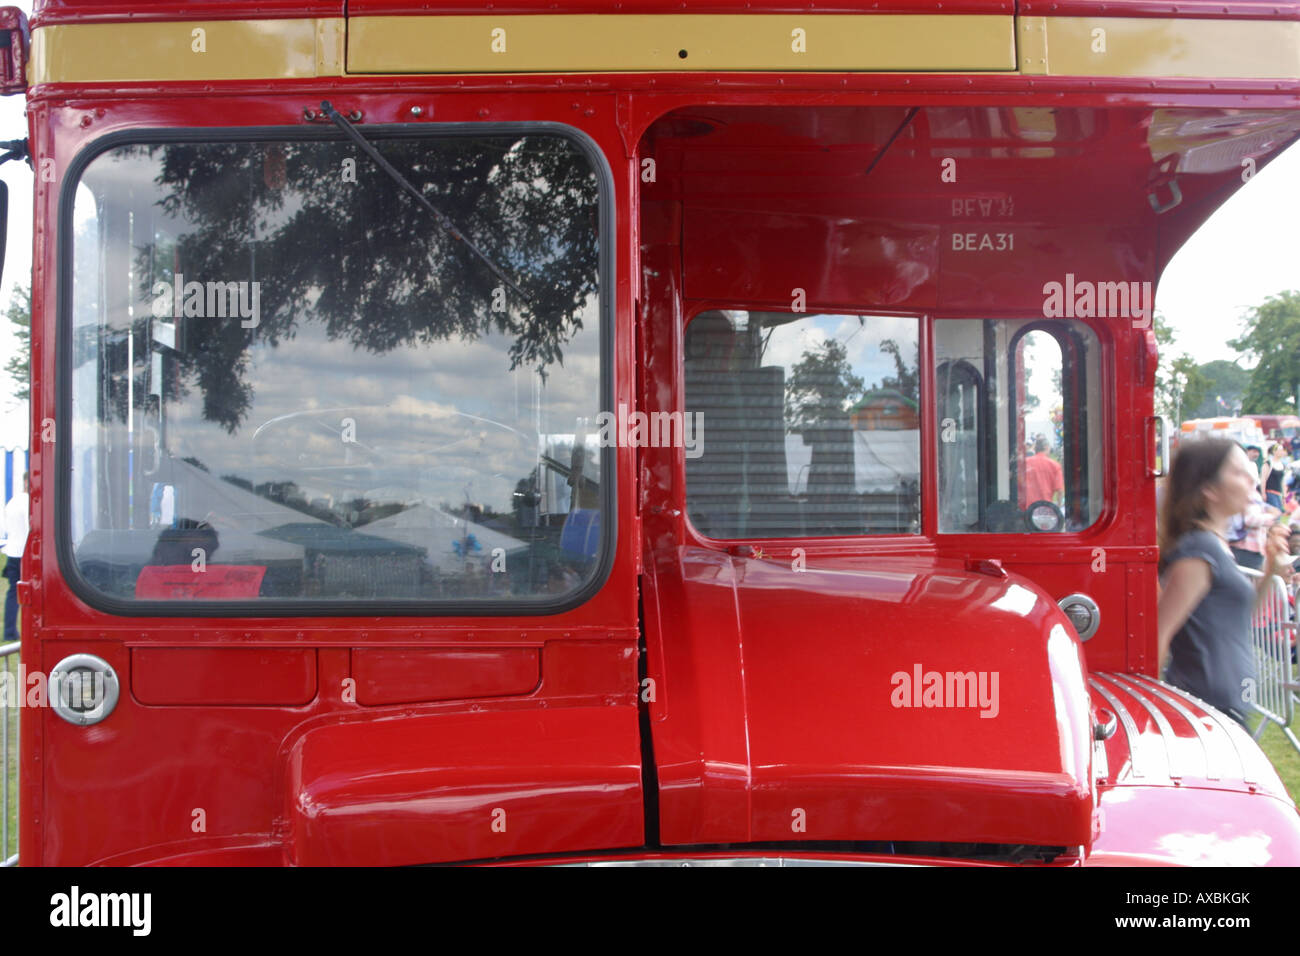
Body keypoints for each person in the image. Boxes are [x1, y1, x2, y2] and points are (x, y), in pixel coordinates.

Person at [1158, 441, 1289, 729]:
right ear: (1210, 489)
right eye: (1239, 472)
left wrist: (1271, 571)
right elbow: (1159, 632)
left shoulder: (1215, 546)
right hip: (1206, 714)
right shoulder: (1199, 550)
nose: (1253, 479)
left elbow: (1235, 619)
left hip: (1224, 708)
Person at [1, 472, 29, 643]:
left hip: (12, 550)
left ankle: (9, 630)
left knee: (13, 593)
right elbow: (30, 527)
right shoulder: (27, 502)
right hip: (23, 552)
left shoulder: (13, 501)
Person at [1024, 436, 1064, 505]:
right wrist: (1059, 506)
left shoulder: (1025, 463)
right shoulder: (1055, 465)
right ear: (1046, 447)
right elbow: (1060, 491)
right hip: (1046, 508)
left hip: (1028, 509)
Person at [1260, 442, 1288, 510]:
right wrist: (1263, 493)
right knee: (1275, 513)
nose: (1282, 452)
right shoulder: (1268, 463)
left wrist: (1284, 495)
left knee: (1279, 513)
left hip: (1278, 493)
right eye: (1280, 450)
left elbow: (1283, 481)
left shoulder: (1282, 465)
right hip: (1269, 492)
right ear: (1274, 451)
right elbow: (1263, 479)